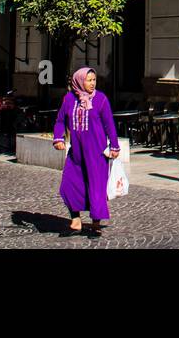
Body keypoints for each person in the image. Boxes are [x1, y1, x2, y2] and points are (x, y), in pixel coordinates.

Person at [52, 67, 119, 237]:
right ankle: (75, 220)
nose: (92, 83)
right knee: (69, 184)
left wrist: (114, 146)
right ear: (79, 81)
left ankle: (96, 223)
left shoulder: (101, 99)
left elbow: (109, 124)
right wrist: (58, 138)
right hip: (76, 153)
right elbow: (60, 121)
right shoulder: (69, 99)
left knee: (96, 188)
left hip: (97, 154)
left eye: (94, 80)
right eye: (89, 80)